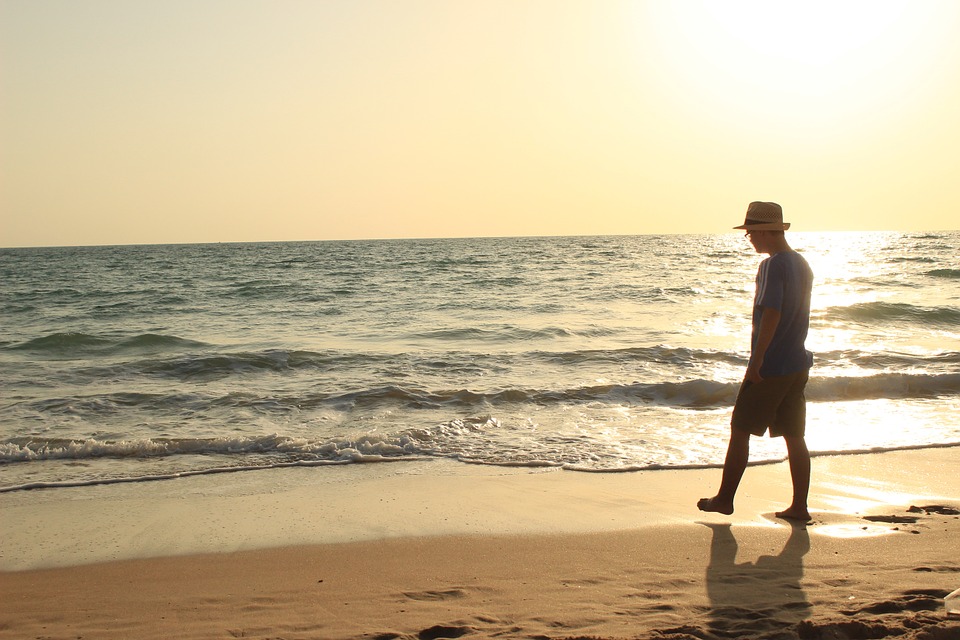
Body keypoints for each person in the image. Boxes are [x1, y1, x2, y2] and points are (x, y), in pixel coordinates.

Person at [698, 201, 814, 522]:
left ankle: (724, 499)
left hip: (772, 365)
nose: (749, 237)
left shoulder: (771, 266)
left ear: (765, 231)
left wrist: (757, 359)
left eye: (750, 232)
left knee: (740, 428)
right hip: (798, 362)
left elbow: (772, 312)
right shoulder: (802, 264)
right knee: (794, 435)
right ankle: (800, 507)